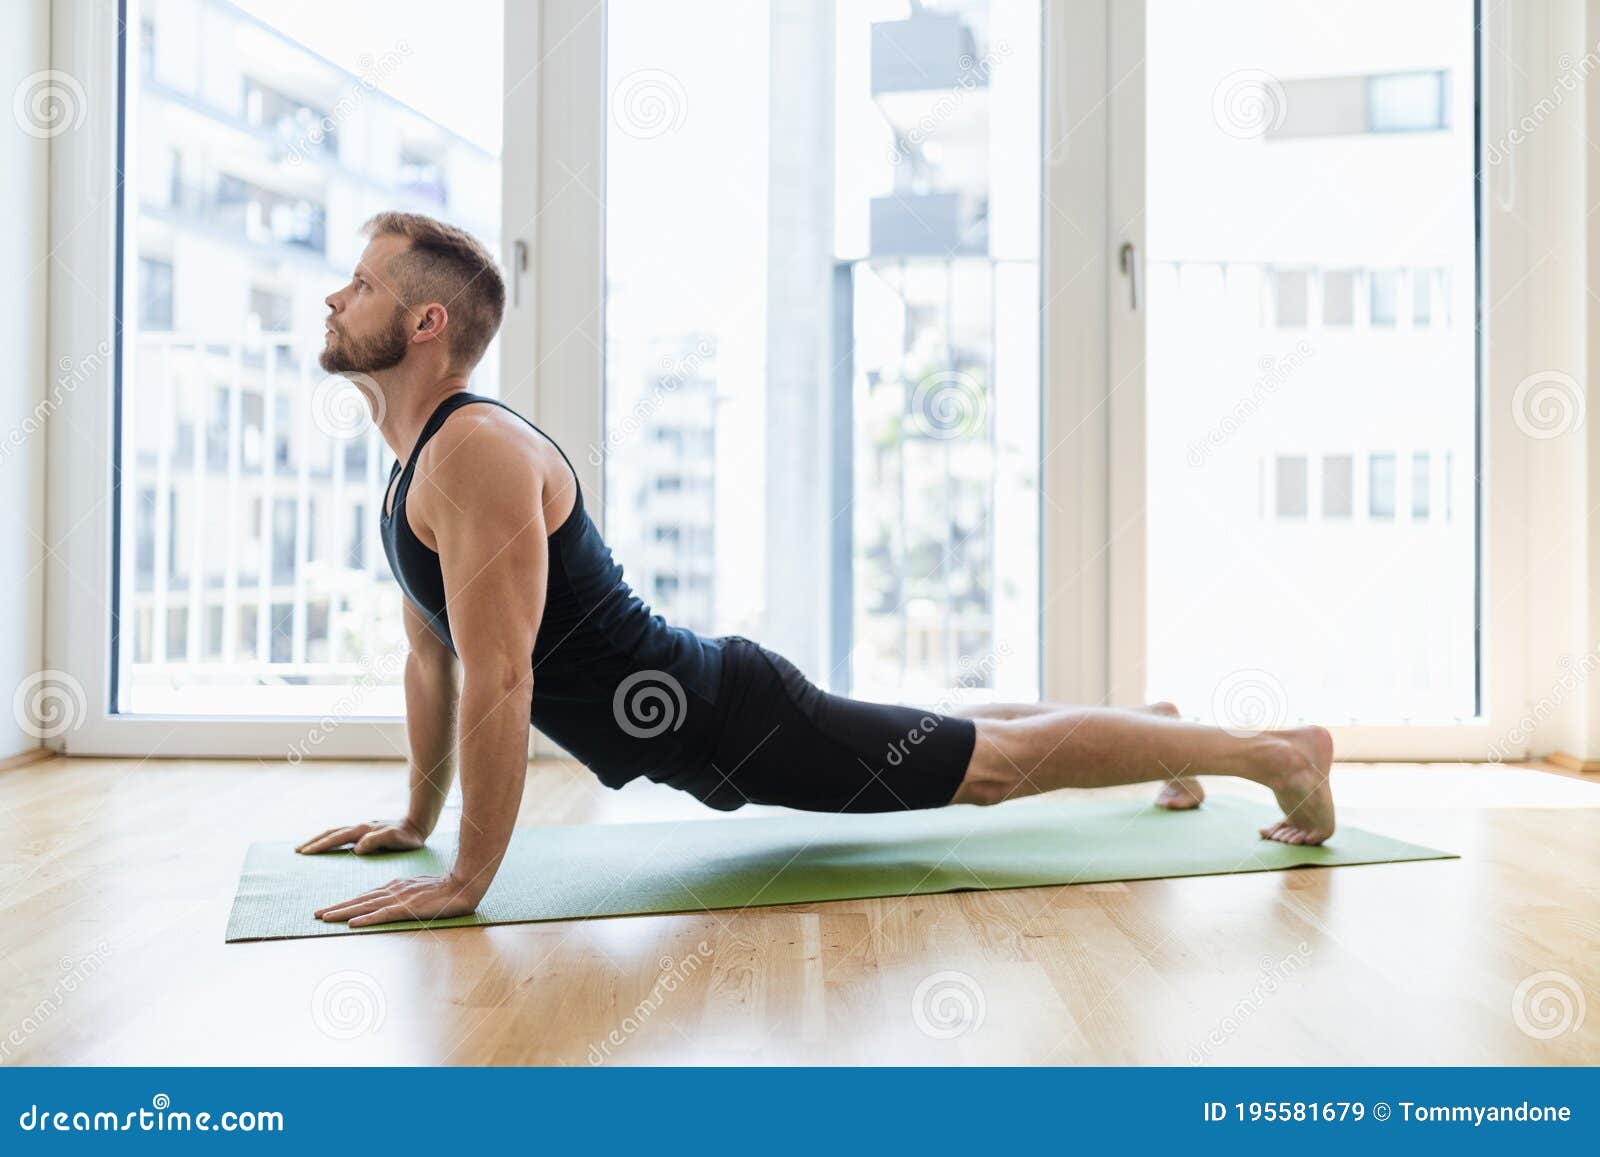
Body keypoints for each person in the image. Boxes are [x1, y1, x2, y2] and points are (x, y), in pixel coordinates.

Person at [297, 212, 1335, 929]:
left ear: (425, 323)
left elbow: (503, 677)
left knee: (988, 769)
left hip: (731, 720)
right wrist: (417, 821)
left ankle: (1274, 753)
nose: (337, 297)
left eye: (365, 283)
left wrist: (470, 876)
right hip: (714, 717)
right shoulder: (416, 467)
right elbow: (430, 662)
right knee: (972, 731)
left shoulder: (473, 453)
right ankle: (1157, 730)